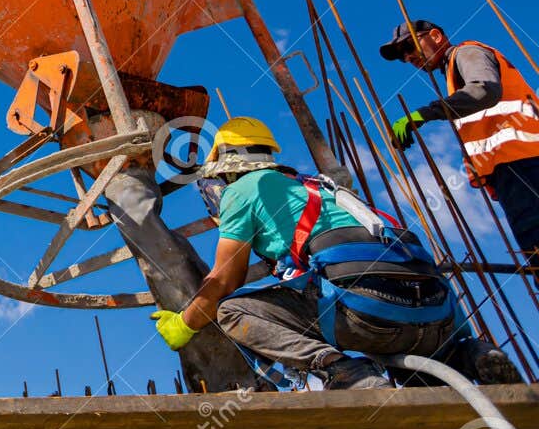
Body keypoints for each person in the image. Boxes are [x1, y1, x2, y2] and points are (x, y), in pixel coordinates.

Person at [149, 116, 519, 390]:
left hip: (364, 313)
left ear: (226, 166)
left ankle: (343, 371)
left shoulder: (243, 189)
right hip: (439, 317)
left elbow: (225, 279)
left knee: (232, 310)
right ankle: (471, 355)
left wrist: (186, 323)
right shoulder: (318, 188)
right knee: (420, 380)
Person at [381, 20, 539, 263]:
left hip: (524, 160)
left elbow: (484, 90)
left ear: (435, 35)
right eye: (403, 56)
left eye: (411, 46)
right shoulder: (453, 75)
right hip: (514, 165)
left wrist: (424, 113)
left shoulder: (466, 53)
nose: (409, 57)